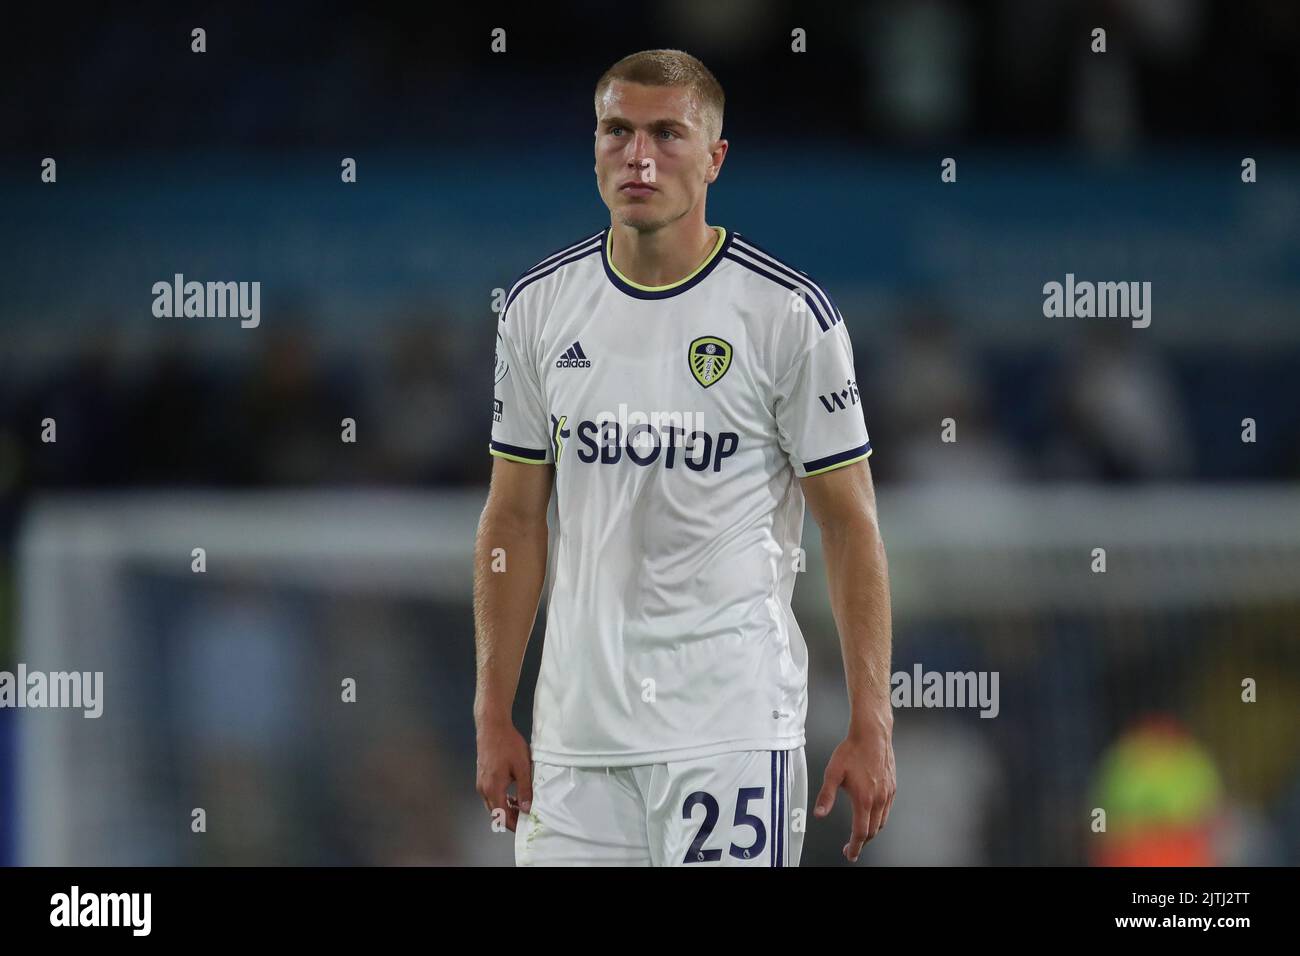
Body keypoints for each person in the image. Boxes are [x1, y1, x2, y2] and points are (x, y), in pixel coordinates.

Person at [474, 49, 895, 866]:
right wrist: (494, 709)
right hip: (576, 746)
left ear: (715, 157)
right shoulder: (536, 308)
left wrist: (873, 718)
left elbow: (850, 526)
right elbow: (513, 518)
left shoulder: (786, 316)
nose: (639, 156)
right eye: (617, 131)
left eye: (668, 133)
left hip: (728, 733)